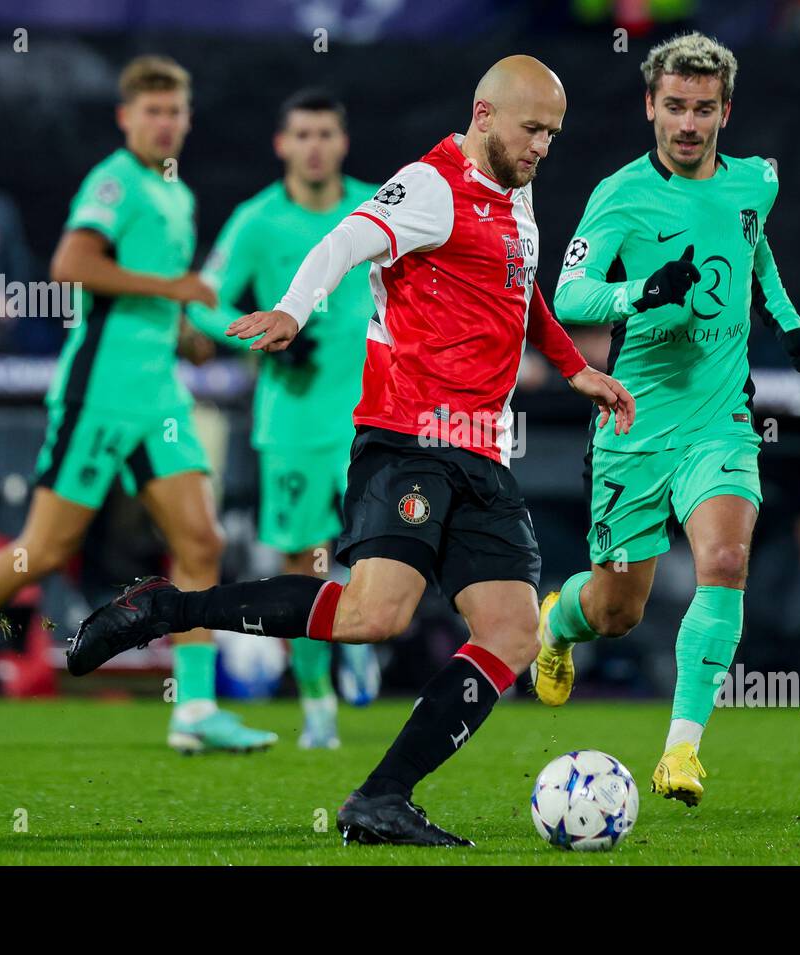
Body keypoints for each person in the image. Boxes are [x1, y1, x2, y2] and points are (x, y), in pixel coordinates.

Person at [68, 55, 636, 847]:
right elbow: (345, 240)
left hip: (482, 452)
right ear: (483, 117)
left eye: (553, 133)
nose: (543, 145)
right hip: (406, 439)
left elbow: (522, 280)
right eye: (532, 128)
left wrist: (578, 368)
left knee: (510, 632)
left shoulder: (516, 189)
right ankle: (167, 608)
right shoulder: (431, 185)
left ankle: (381, 798)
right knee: (376, 615)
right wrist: (295, 312)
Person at [0, 55, 274, 754]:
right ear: (126, 117)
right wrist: (171, 290)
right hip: (101, 393)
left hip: (159, 393)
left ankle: (193, 708)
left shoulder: (175, 196)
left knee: (201, 540)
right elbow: (70, 266)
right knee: (44, 547)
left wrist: (203, 335)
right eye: (151, 111)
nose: (164, 123)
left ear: (187, 119)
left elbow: (170, 307)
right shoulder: (114, 181)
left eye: (174, 111)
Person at [528, 32, 800, 807]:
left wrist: (788, 324)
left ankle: (680, 752)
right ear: (649, 107)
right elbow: (570, 297)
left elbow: (755, 255)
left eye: (702, 109)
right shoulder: (619, 195)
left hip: (721, 420)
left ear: (725, 111)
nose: (688, 124)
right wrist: (641, 294)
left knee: (725, 562)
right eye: (674, 107)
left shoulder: (755, 183)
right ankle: (559, 621)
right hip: (634, 420)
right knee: (617, 608)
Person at [185, 88, 381, 749]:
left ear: (343, 141)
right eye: (302, 134)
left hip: (380, 414)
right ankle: (319, 703)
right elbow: (203, 302)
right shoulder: (257, 220)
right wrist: (258, 336)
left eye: (326, 132)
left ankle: (358, 625)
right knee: (303, 564)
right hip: (295, 421)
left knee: (395, 544)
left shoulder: (381, 205)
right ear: (282, 144)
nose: (315, 145)